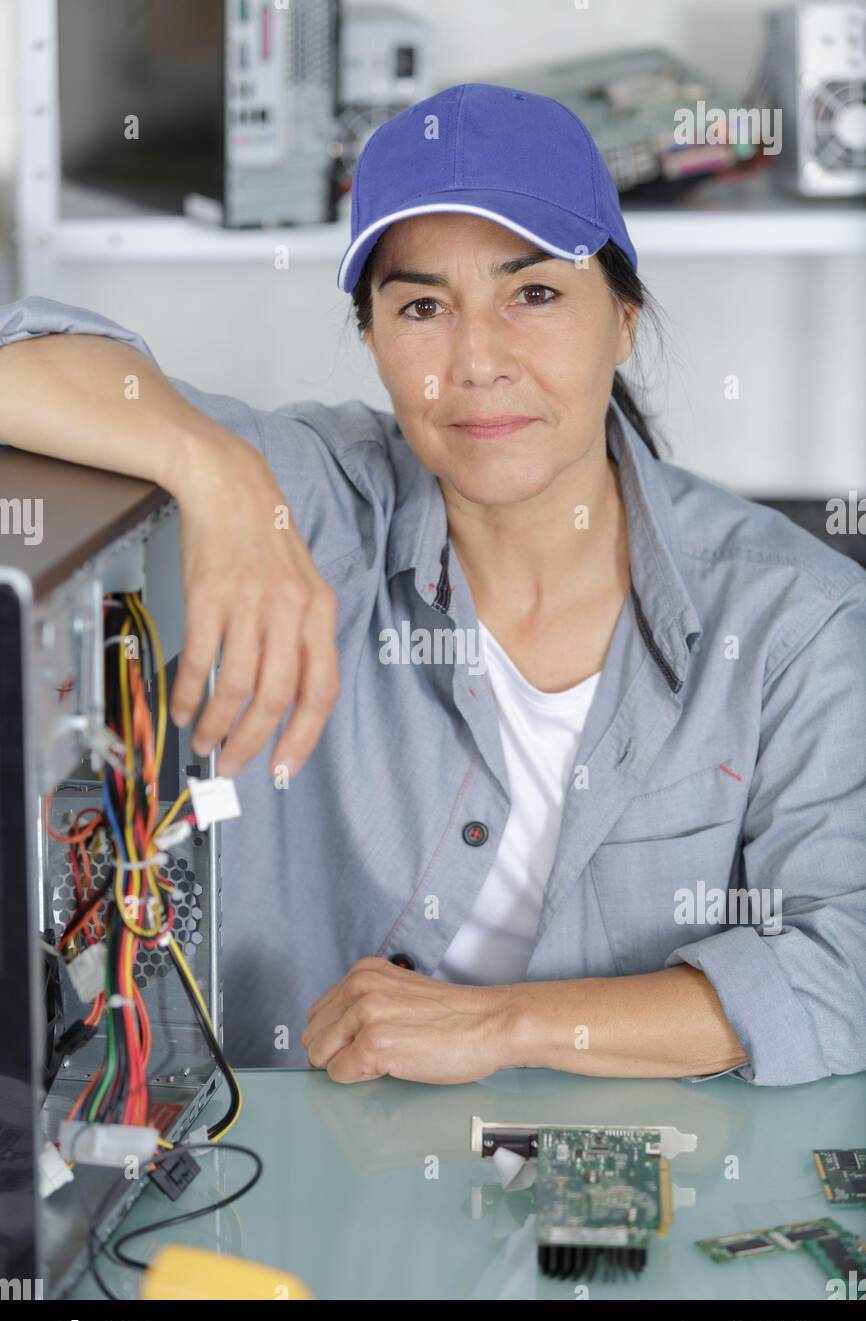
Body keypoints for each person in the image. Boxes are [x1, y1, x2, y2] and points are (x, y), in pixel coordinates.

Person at [1, 84, 864, 1087]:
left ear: (622, 318)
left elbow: (843, 963)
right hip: (310, 1194)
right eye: (420, 306)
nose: (477, 360)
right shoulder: (315, 498)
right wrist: (218, 474)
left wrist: (499, 1025)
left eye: (533, 293)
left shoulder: (789, 618)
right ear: (369, 337)